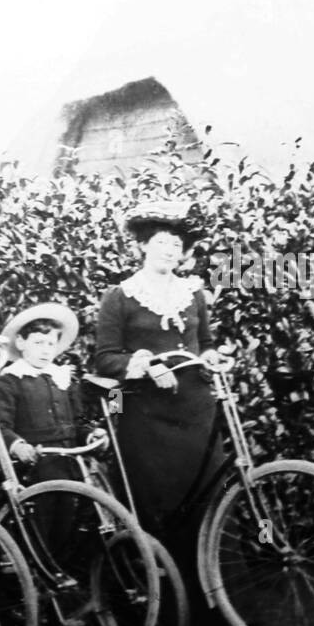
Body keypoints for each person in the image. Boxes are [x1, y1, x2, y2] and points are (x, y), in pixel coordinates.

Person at [93, 200, 227, 584]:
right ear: (143, 246)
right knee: (161, 504)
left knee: (208, 497)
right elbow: (105, 359)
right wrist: (148, 365)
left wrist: (215, 358)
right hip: (148, 417)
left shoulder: (193, 293)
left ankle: (217, 602)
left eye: (175, 245)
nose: (169, 250)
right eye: (162, 242)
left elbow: (206, 342)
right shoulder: (120, 296)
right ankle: (168, 603)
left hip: (196, 412)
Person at [0, 303, 91, 485]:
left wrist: (89, 434)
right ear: (21, 343)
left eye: (51, 344)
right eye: (38, 343)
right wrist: (17, 446)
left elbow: (78, 421)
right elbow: (0, 426)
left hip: (70, 458)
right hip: (37, 462)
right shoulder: (12, 379)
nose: (45, 350)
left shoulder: (62, 377)